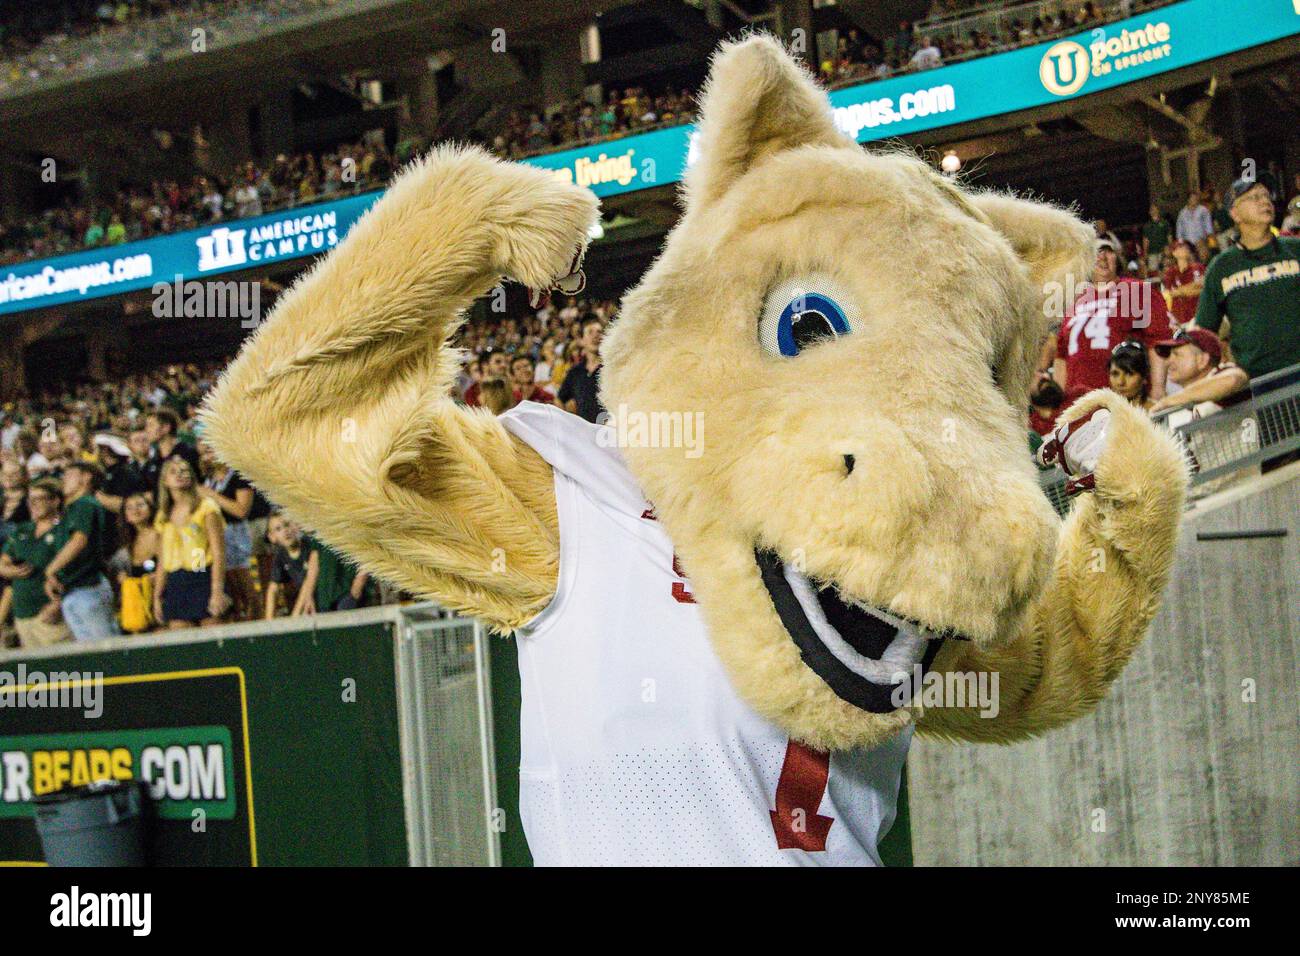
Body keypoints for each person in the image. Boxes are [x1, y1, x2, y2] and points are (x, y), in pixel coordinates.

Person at [1196, 174, 1300, 381]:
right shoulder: (1221, 267)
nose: (1265, 201)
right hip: (1260, 380)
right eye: (1254, 197)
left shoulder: (1296, 249)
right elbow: (1205, 331)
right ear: (1235, 214)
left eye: (1266, 196)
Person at [1054, 239, 1170, 403]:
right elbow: (1061, 356)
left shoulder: (1137, 290)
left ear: (1118, 257)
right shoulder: (1075, 301)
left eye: (1107, 250)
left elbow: (1159, 341)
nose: (1101, 256)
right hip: (1080, 405)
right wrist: (1060, 403)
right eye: (1094, 252)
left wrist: (1158, 389)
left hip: (1124, 399)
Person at [42, 461, 121, 641]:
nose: (64, 479)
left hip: (88, 588)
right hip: (73, 589)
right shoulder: (70, 510)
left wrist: (50, 570)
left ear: (86, 477)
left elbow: (79, 540)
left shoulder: (85, 503)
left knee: (105, 651)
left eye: (69, 475)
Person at [153, 456, 230, 629]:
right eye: (173, 472)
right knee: (182, 643)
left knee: (213, 637)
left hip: (201, 572)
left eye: (184, 470)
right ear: (165, 481)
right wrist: (157, 596)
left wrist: (217, 591)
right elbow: (162, 560)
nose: (180, 474)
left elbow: (219, 553)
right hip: (175, 580)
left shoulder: (206, 507)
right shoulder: (163, 515)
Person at [0, 478, 72, 648]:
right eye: (30, 499)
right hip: (22, 614)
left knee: (62, 669)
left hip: (50, 613)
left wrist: (58, 603)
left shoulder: (64, 530)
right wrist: (6, 570)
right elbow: (4, 560)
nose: (33, 504)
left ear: (55, 501)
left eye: (39, 499)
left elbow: (74, 570)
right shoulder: (23, 530)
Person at [199, 439, 256, 622]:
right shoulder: (208, 479)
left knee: (243, 582)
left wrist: (212, 496)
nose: (210, 453)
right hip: (214, 534)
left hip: (236, 533)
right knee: (230, 585)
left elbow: (241, 510)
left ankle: (257, 621)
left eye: (213, 449)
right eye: (206, 450)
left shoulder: (239, 476)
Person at [1150, 327, 1248, 420]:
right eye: (1169, 356)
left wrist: (1168, 401)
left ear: (1202, 360)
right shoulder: (1182, 401)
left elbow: (1232, 380)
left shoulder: (1222, 371)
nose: (1168, 362)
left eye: (1177, 354)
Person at [116, 492, 160, 634]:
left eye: (140, 505)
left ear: (150, 509)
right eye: (129, 508)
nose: (135, 510)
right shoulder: (129, 544)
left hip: (162, 598)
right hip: (140, 606)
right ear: (125, 516)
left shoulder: (160, 533)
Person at [293, 537, 371, 615]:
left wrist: (355, 591)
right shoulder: (319, 529)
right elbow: (314, 564)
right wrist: (309, 597)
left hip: (348, 592)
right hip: (325, 598)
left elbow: (368, 551)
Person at [141, 407, 202, 492]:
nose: (146, 430)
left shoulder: (187, 453)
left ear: (166, 428)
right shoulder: (153, 461)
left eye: (151, 425)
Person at [559, 319, 605, 422]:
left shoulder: (612, 368)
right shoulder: (575, 372)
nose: (596, 335)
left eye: (599, 332)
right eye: (590, 332)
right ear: (581, 340)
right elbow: (560, 398)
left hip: (609, 433)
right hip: (585, 435)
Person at [264, 511, 308, 619]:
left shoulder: (309, 547)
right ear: (272, 537)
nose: (285, 531)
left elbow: (308, 584)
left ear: (297, 525)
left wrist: (296, 615)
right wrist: (268, 622)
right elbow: (273, 589)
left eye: (287, 524)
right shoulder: (281, 554)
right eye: (278, 529)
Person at [1162, 240, 1206, 328]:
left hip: (1199, 317)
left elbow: (1205, 289)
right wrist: (1195, 285)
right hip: (1180, 320)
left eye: (1186, 247)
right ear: (1174, 253)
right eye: (1181, 247)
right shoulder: (1171, 272)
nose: (1186, 249)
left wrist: (1180, 291)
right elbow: (1170, 293)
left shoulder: (1198, 267)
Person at [1106, 340, 1155, 410]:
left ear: (1144, 376)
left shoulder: (1160, 414)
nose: (1120, 382)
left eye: (1129, 374)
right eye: (1115, 374)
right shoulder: (1102, 416)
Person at [1176, 190, 1214, 261]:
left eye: (1196, 198)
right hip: (1188, 244)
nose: (1194, 200)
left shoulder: (1203, 210)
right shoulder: (1182, 213)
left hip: (1201, 242)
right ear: (1188, 200)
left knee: (1204, 261)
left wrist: (1212, 245)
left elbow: (1209, 228)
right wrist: (1180, 245)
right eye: (1192, 198)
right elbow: (1179, 231)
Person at [1141, 204, 1172, 275]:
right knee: (1153, 271)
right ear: (1149, 212)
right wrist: (1145, 253)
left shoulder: (1165, 223)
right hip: (1152, 252)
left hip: (1163, 252)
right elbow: (1145, 240)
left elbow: (1169, 237)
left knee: (1165, 270)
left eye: (1155, 209)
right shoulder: (1147, 226)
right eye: (1152, 210)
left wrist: (1170, 249)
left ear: (1158, 210)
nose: (1153, 211)